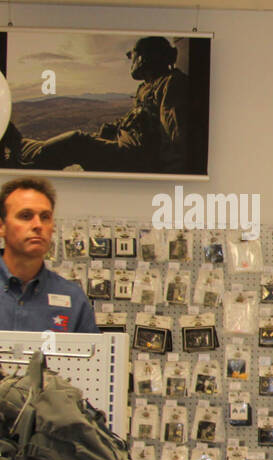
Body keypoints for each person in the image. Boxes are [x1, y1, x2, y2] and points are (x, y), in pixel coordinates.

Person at [1, 37, 191, 174]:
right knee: (80, 140)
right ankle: (26, 147)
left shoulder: (170, 83)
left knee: (77, 141)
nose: (132, 61)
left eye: (134, 56)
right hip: (130, 150)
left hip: (137, 158)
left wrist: (170, 177)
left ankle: (26, 158)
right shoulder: (148, 86)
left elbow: (174, 131)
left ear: (144, 58)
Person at [0, 178, 97, 333]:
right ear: (2, 227)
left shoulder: (73, 298)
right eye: (26, 216)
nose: (38, 225)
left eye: (45, 217)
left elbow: (95, 356)